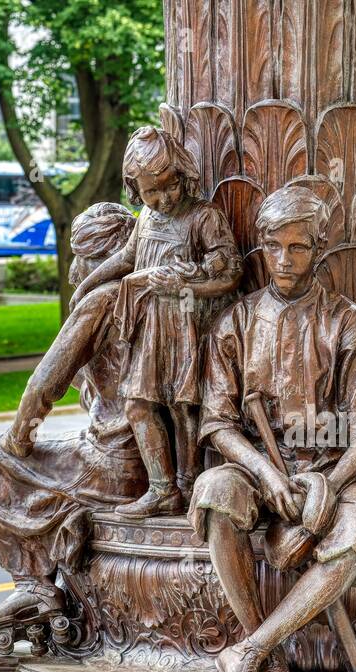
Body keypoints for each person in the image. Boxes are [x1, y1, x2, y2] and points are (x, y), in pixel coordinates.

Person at [191, 185, 356, 672]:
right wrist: (266, 473)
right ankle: (264, 647)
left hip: (333, 470)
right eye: (274, 246)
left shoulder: (345, 321)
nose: (284, 259)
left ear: (319, 250)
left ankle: (250, 652)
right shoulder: (234, 323)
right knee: (215, 491)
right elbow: (217, 423)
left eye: (298, 247)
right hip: (258, 469)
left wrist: (334, 481)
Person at [0, 202, 145, 630]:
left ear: (101, 255)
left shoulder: (103, 300)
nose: (72, 273)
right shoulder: (151, 295)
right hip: (151, 461)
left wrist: (19, 440)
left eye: (79, 256)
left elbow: (43, 385)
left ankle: (35, 586)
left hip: (115, 463)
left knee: (1, 463)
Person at [71, 126, 243, 516]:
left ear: (184, 175)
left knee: (184, 408)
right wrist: (88, 284)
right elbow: (127, 259)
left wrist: (189, 280)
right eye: (152, 191)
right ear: (135, 190)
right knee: (139, 405)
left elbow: (232, 272)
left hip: (187, 325)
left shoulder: (203, 217)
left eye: (171, 186)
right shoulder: (146, 217)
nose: (164, 198)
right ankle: (162, 486)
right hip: (150, 328)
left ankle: (187, 484)